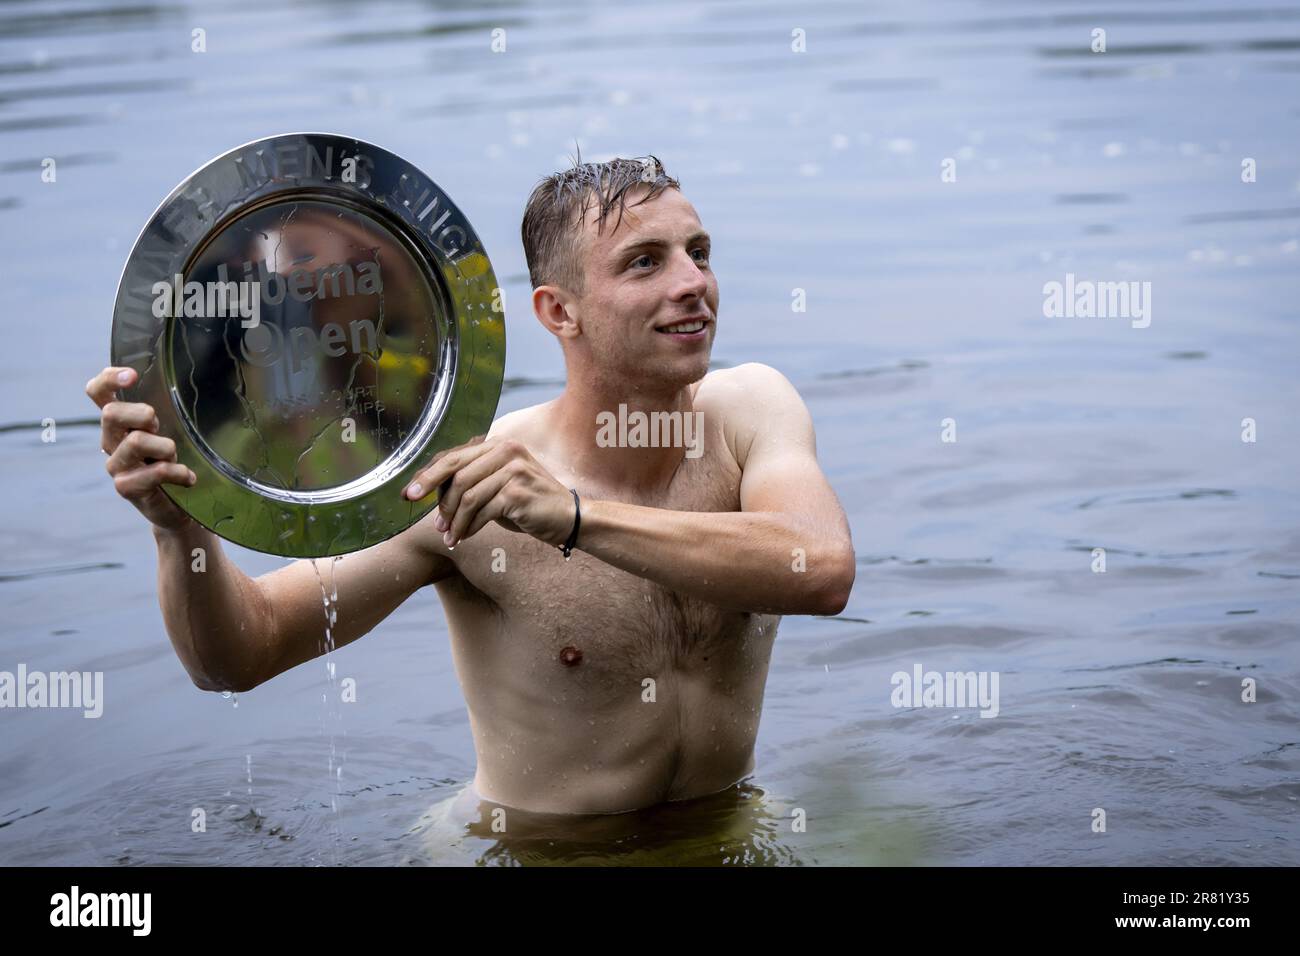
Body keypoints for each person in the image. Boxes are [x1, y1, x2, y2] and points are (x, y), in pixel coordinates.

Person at [86, 155, 855, 826]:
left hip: (720, 829)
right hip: (534, 852)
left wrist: (578, 518)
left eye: (700, 252)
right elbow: (238, 659)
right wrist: (177, 527)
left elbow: (820, 570)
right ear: (560, 311)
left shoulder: (751, 411)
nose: (695, 285)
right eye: (645, 263)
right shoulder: (464, 482)